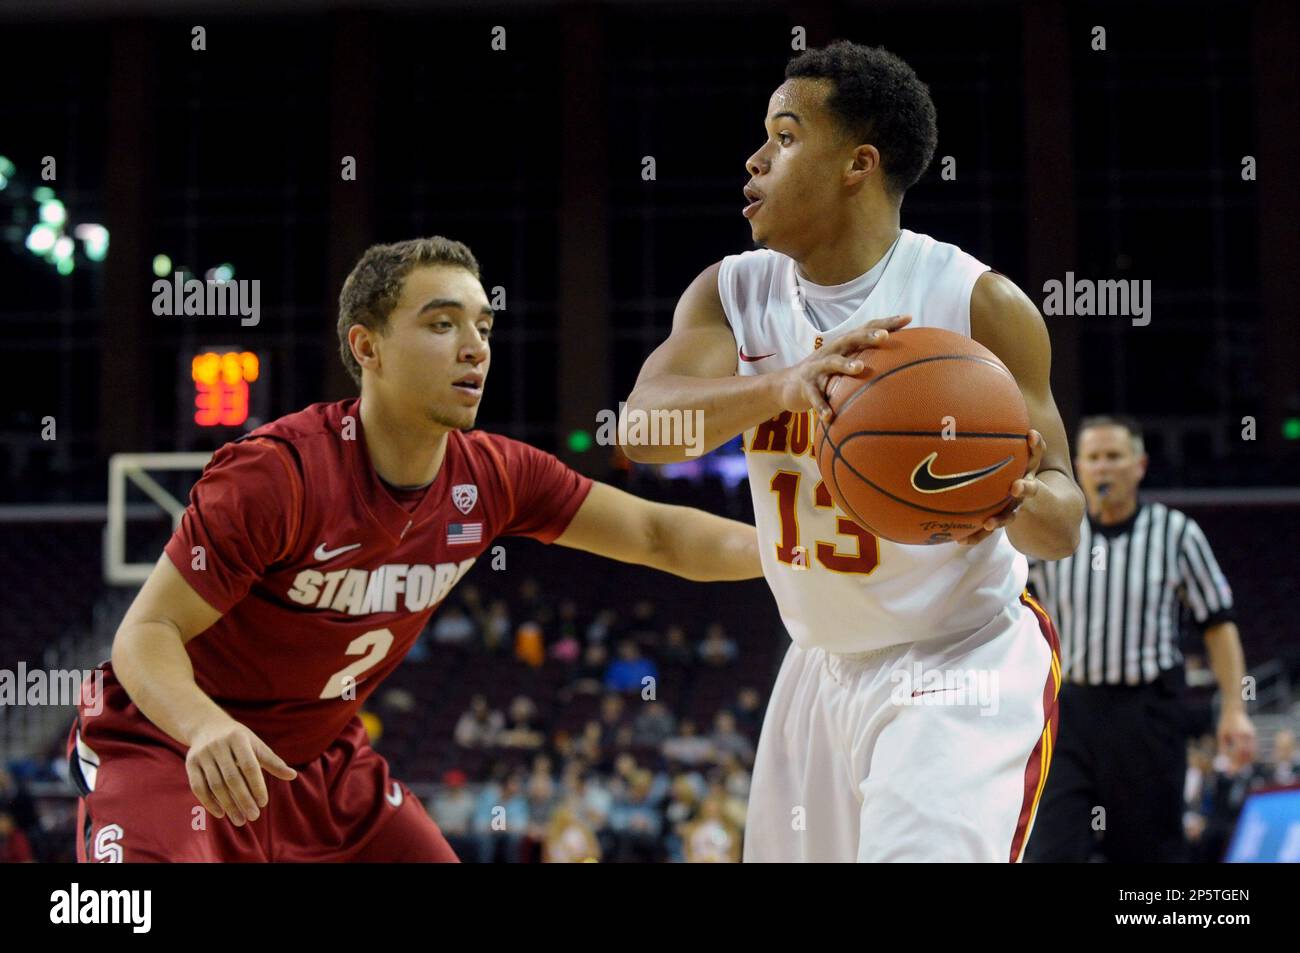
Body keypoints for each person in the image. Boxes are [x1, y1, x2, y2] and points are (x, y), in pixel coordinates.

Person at [67, 236, 761, 863]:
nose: (475, 346)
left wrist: (802, 551)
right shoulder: (278, 475)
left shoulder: (494, 475)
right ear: (366, 347)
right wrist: (205, 727)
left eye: (483, 326)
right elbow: (145, 632)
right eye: (442, 323)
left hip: (320, 764)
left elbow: (657, 533)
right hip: (174, 744)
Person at [623, 41, 1082, 862]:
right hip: (819, 665)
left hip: (958, 659)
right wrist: (781, 386)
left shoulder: (976, 302)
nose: (755, 158)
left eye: (786, 136)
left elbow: (1063, 522)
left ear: (858, 164)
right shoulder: (731, 292)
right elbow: (642, 433)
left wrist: (1024, 500)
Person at [1024, 415, 1255, 862]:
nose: (1103, 468)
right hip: (1069, 713)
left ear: (1140, 465)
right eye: (1093, 458)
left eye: (1114, 456)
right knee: (1051, 849)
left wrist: (1234, 709)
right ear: (1078, 467)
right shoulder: (1054, 538)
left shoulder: (1176, 534)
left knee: (1148, 852)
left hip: (1145, 716)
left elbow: (1218, 621)